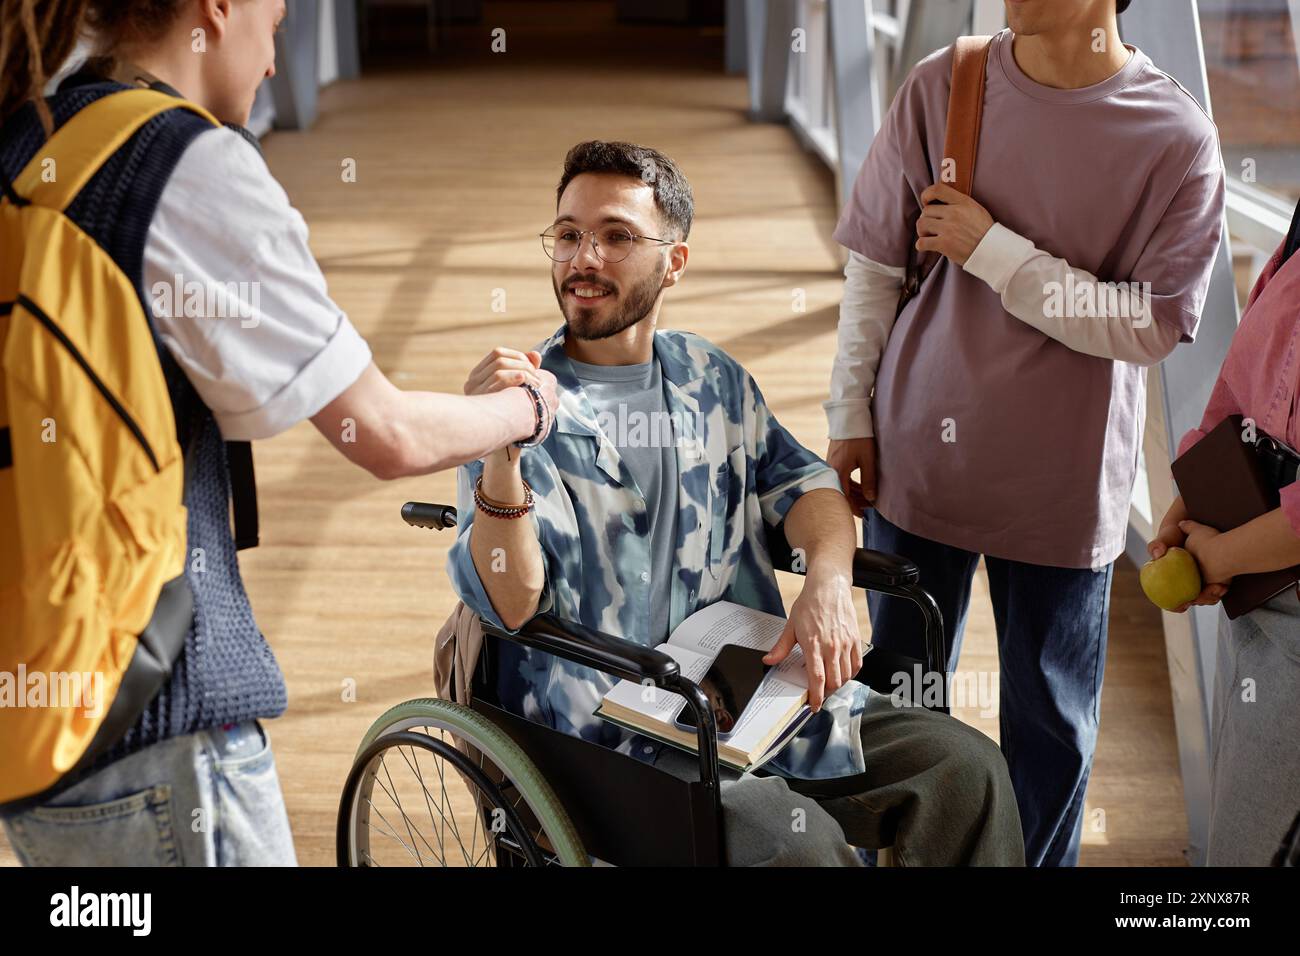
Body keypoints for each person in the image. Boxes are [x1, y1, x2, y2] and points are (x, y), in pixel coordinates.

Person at [0, 0, 557, 865]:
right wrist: (529, 409)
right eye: (279, 16)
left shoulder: (28, 142)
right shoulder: (178, 162)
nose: (274, 53)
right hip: (162, 732)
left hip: (39, 713)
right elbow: (385, 432)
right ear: (217, 9)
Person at [448, 140, 1025, 866]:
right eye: (568, 234)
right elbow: (511, 601)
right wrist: (503, 448)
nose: (584, 258)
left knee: (965, 771)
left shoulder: (710, 379)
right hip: (610, 739)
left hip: (755, 702)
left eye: (616, 236)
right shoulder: (523, 407)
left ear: (674, 262)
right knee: (803, 849)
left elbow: (809, 484)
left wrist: (826, 581)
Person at [823, 0, 1226, 864]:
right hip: (918, 461)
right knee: (896, 705)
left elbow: (1149, 325)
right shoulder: (947, 83)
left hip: (1063, 488)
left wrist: (993, 250)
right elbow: (875, 268)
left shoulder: (1177, 135)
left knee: (1051, 725)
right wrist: (849, 416)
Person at [1148, 200, 1300, 865]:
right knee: (1242, 826)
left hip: (1268, 571)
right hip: (1256, 583)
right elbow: (1243, 380)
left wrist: (1224, 554)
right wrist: (1192, 500)